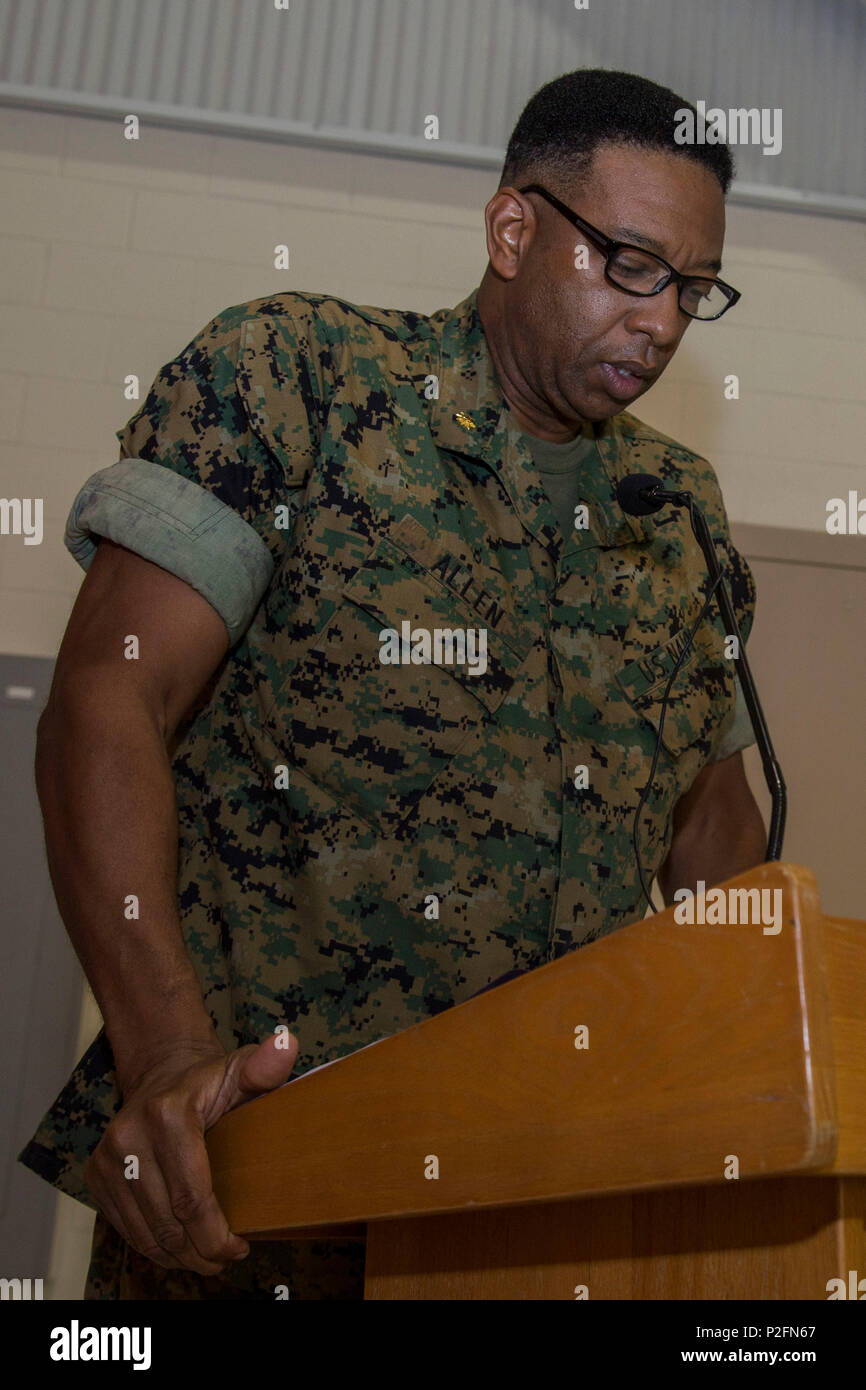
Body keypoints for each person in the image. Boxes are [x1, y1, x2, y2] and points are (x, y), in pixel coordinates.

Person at [19, 68, 765, 1300]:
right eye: (630, 266)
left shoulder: (673, 506)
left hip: (549, 1220)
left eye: (691, 288)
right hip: (267, 1198)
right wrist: (161, 1053)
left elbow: (714, 843)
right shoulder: (297, 379)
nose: (661, 322)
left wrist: (763, 1066)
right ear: (512, 228)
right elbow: (108, 700)